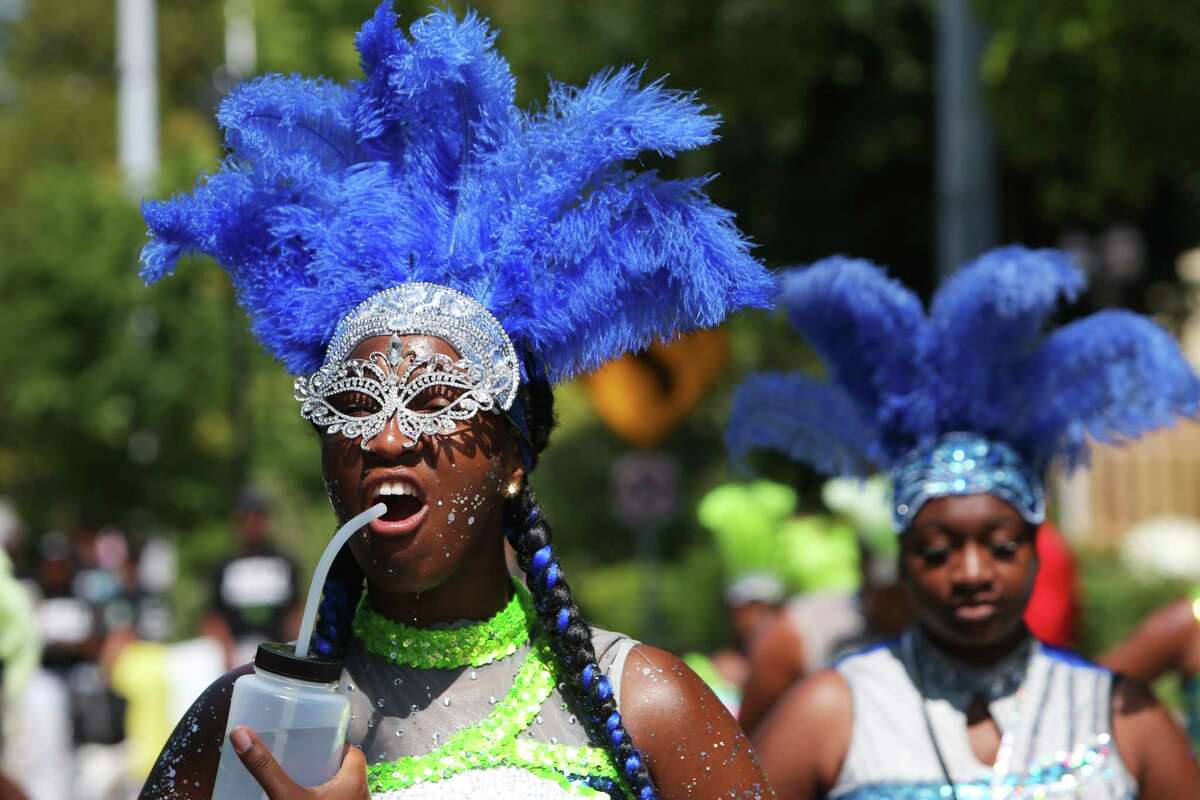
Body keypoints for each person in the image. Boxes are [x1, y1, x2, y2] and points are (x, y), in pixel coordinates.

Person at [135, 4, 776, 798]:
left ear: (511, 456)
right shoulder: (244, 730)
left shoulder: (649, 708)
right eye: (355, 404)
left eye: (436, 399)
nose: (388, 437)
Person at [727, 248, 1200, 798]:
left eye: (1000, 547)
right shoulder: (834, 708)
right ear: (902, 561)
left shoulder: (1117, 713)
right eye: (937, 550)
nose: (971, 572)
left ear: (1036, 551)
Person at [737, 477, 911, 736]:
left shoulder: (959, 630)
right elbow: (745, 744)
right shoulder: (796, 633)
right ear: (861, 562)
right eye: (891, 589)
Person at [203, 490, 301, 668]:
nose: (253, 525)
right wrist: (227, 652)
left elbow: (295, 612)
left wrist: (293, 650)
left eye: (259, 518)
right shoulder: (225, 566)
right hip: (236, 653)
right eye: (246, 518)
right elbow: (213, 616)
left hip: (276, 652)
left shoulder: (284, 564)